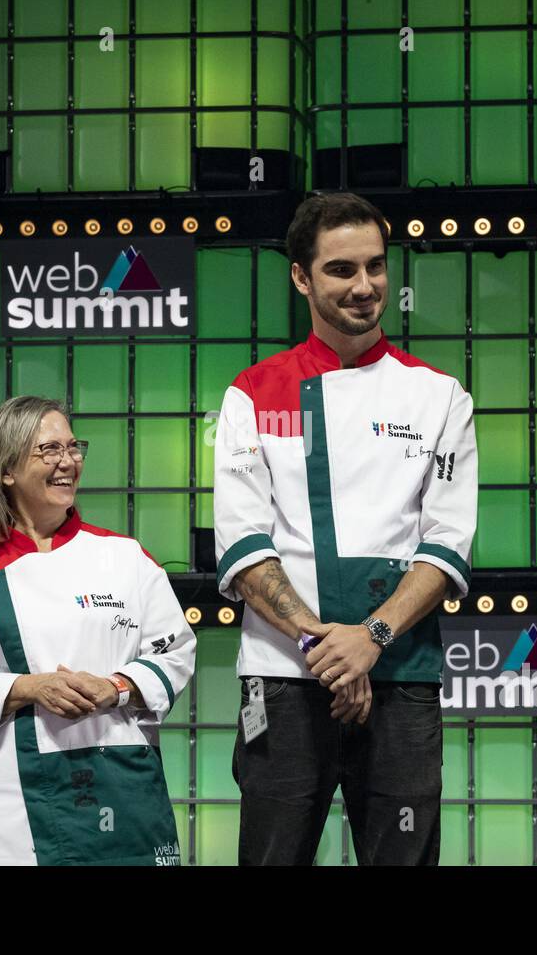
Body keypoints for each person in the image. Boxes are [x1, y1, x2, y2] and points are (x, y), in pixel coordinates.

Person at [213, 192, 478, 865]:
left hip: (401, 675)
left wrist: (372, 639)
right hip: (282, 675)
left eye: (376, 267)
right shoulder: (253, 393)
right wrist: (324, 647)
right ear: (301, 277)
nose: (364, 287)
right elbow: (243, 547)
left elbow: (446, 545)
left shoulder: (440, 394)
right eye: (340, 270)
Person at [0, 396, 195, 865]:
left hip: (120, 784)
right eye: (49, 450)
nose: (68, 461)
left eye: (73, 447)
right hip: (4, 805)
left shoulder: (126, 557)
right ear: (6, 470)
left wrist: (117, 686)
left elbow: (176, 650)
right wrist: (31, 687)